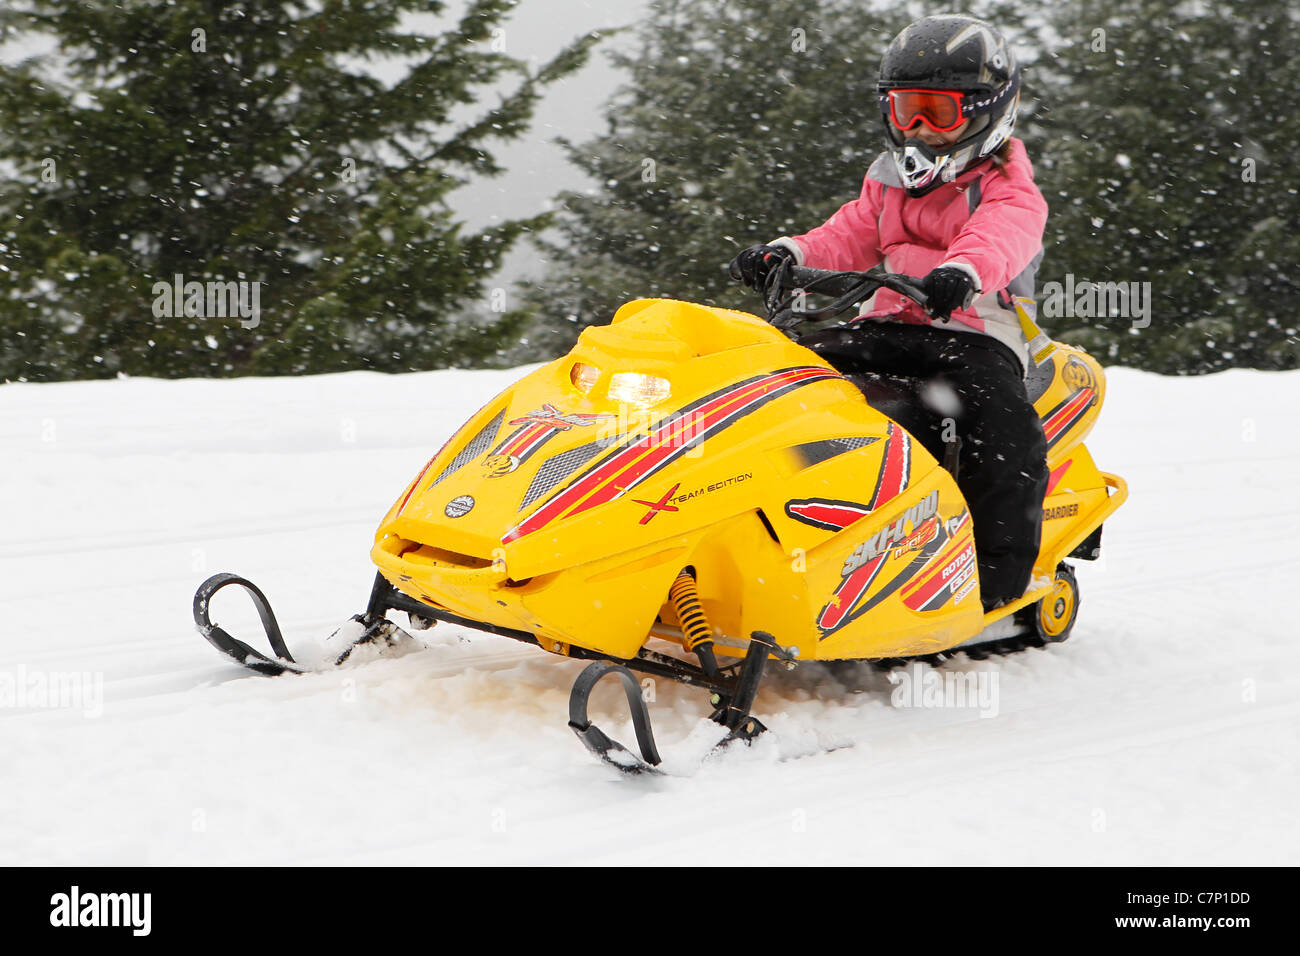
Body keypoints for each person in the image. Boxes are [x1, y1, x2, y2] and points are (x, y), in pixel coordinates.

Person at [729, 13, 1050, 613]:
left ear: (987, 110)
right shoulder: (888, 179)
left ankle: (993, 580)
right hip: (884, 327)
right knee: (781, 381)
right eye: (906, 110)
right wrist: (787, 253)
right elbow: (848, 233)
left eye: (938, 110)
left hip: (973, 335)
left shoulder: (1008, 184)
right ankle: (760, 531)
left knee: (1001, 429)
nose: (920, 129)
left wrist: (962, 274)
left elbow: (1001, 236)